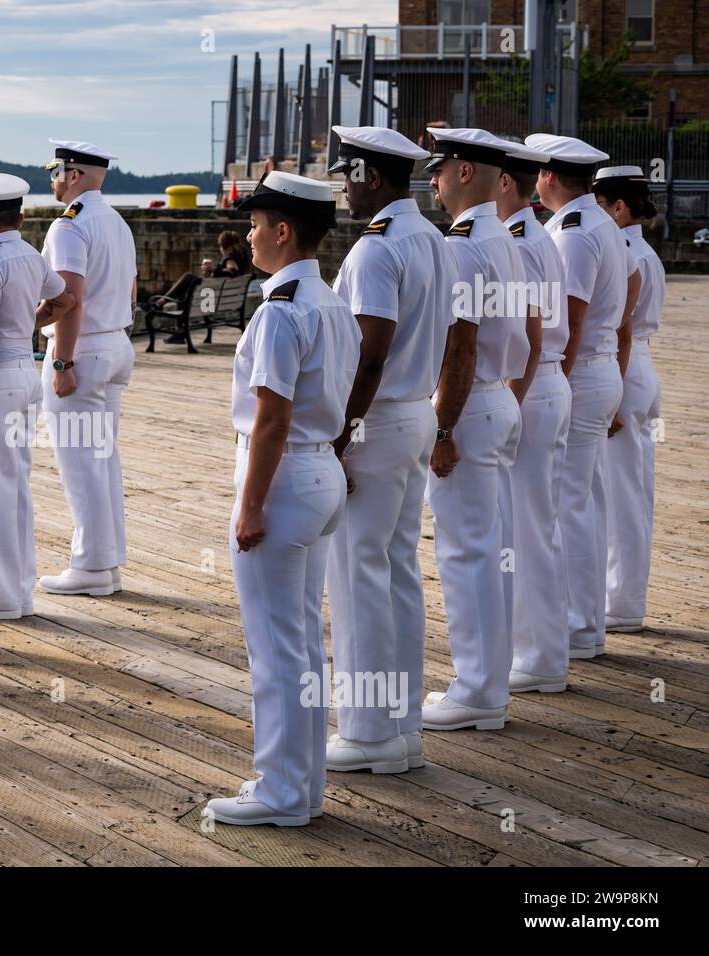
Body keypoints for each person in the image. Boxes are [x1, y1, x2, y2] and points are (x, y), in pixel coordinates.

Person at [204, 171, 359, 826]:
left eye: (257, 222)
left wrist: (250, 505)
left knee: (274, 649)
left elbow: (270, 416)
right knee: (299, 643)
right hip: (321, 470)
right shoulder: (330, 303)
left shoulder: (280, 311)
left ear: (283, 231)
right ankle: (302, 785)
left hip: (285, 479)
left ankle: (281, 791)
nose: (249, 233)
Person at [323, 125, 452, 773]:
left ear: (371, 177)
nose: (342, 188)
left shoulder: (375, 250)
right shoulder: (430, 236)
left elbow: (369, 353)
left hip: (373, 423)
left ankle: (368, 730)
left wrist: (339, 433)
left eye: (347, 173)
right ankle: (400, 728)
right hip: (414, 415)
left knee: (356, 575)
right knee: (398, 571)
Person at [422, 128, 530, 732]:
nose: (433, 182)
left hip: (468, 406)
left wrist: (442, 429)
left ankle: (478, 691)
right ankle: (489, 680)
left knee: (467, 554)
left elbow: (460, 344)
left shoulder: (463, 246)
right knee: (494, 550)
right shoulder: (504, 235)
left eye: (439, 170)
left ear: (465, 172)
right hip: (496, 401)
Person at [526, 133, 639, 661]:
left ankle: (575, 627)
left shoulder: (570, 233)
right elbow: (623, 307)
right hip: (599, 373)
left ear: (548, 176)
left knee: (566, 506)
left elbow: (567, 324)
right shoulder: (601, 223)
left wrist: (558, 389)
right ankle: (588, 625)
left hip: (578, 376)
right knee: (585, 503)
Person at [0, 173, 74, 620]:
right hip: (24, 374)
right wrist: (30, 322)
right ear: (21, 217)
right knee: (14, 485)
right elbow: (65, 301)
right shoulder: (30, 254)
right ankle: (18, 588)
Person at [37, 139, 137, 597]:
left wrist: (61, 360)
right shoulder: (116, 221)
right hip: (115, 344)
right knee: (103, 460)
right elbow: (131, 294)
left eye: (55, 170)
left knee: (81, 464)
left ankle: (91, 566)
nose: (52, 178)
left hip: (83, 351)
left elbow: (70, 298)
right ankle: (108, 562)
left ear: (73, 174)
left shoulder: (69, 226)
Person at [496, 142, 573, 694]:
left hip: (528, 385)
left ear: (503, 185)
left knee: (525, 528)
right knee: (537, 525)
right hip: (546, 382)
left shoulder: (518, 242)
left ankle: (539, 654)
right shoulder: (536, 234)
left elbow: (530, 329)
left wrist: (509, 404)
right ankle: (544, 650)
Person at [594, 166, 664, 633]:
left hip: (624, 363)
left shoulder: (623, 252)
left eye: (602, 206)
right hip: (641, 365)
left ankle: (620, 605)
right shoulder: (647, 253)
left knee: (620, 493)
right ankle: (624, 600)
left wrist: (612, 396)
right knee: (635, 490)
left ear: (618, 207)